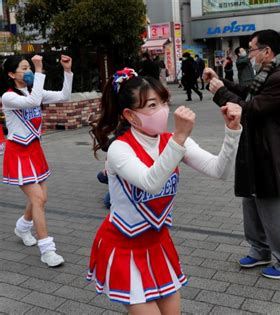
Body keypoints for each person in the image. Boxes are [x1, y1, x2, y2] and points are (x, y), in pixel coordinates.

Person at [87, 68, 242, 313]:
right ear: (129, 115)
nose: (161, 110)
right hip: (124, 246)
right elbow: (150, 182)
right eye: (151, 105)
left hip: (157, 244)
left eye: (163, 102)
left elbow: (218, 171)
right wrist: (179, 138)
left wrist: (232, 132)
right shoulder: (120, 149)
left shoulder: (171, 140)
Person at [204, 29, 280, 279]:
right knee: (253, 204)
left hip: (273, 155)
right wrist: (220, 82)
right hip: (258, 152)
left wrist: (218, 91)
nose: (250, 55)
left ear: (267, 51)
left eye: (253, 49)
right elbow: (246, 92)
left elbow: (250, 109)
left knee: (273, 213)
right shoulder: (268, 73)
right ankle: (260, 250)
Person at [1, 54, 73, 267]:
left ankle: (22, 227)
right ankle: (47, 249)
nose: (29, 71)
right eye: (24, 68)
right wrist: (40, 69)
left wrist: (67, 71)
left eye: (29, 67)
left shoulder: (35, 91)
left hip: (35, 151)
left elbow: (64, 95)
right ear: (12, 74)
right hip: (18, 153)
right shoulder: (8, 97)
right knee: (39, 200)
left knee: (41, 199)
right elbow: (32, 102)